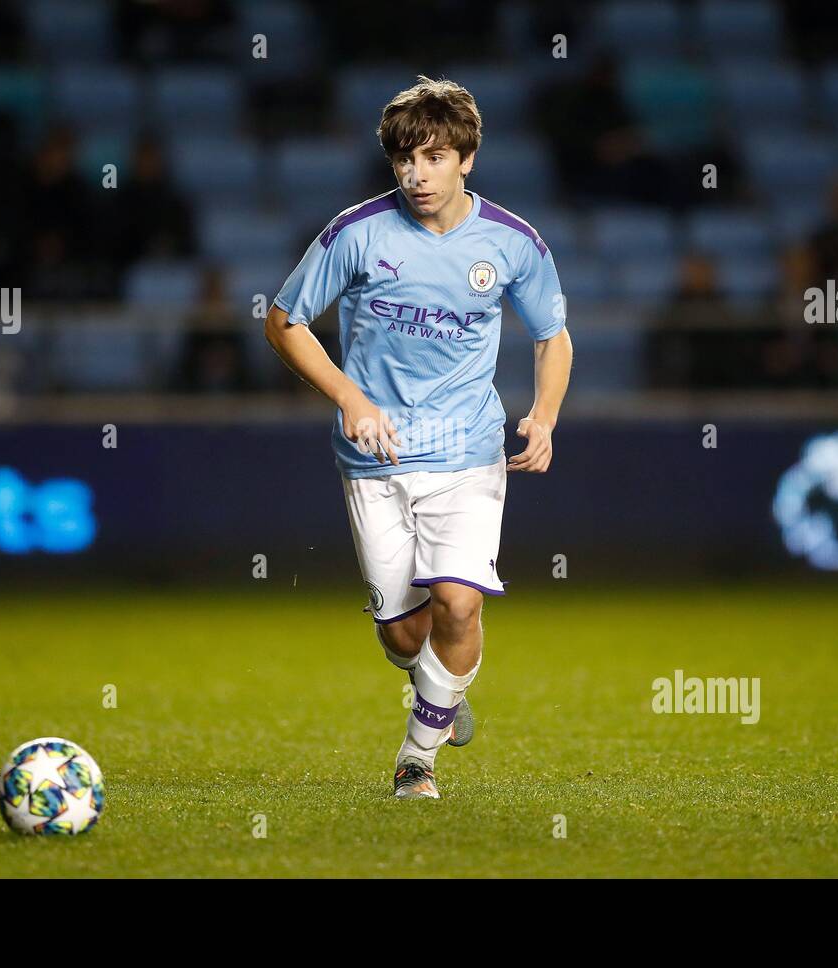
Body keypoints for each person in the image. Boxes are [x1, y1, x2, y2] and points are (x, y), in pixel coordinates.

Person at [264, 76, 573, 799]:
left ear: (465, 158)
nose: (416, 174)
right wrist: (349, 396)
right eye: (404, 159)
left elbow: (553, 336)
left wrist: (545, 414)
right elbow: (283, 322)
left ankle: (417, 758)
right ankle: (442, 693)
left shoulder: (513, 242)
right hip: (374, 460)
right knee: (406, 638)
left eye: (433, 158)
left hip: (468, 452)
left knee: (459, 605)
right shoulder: (357, 232)